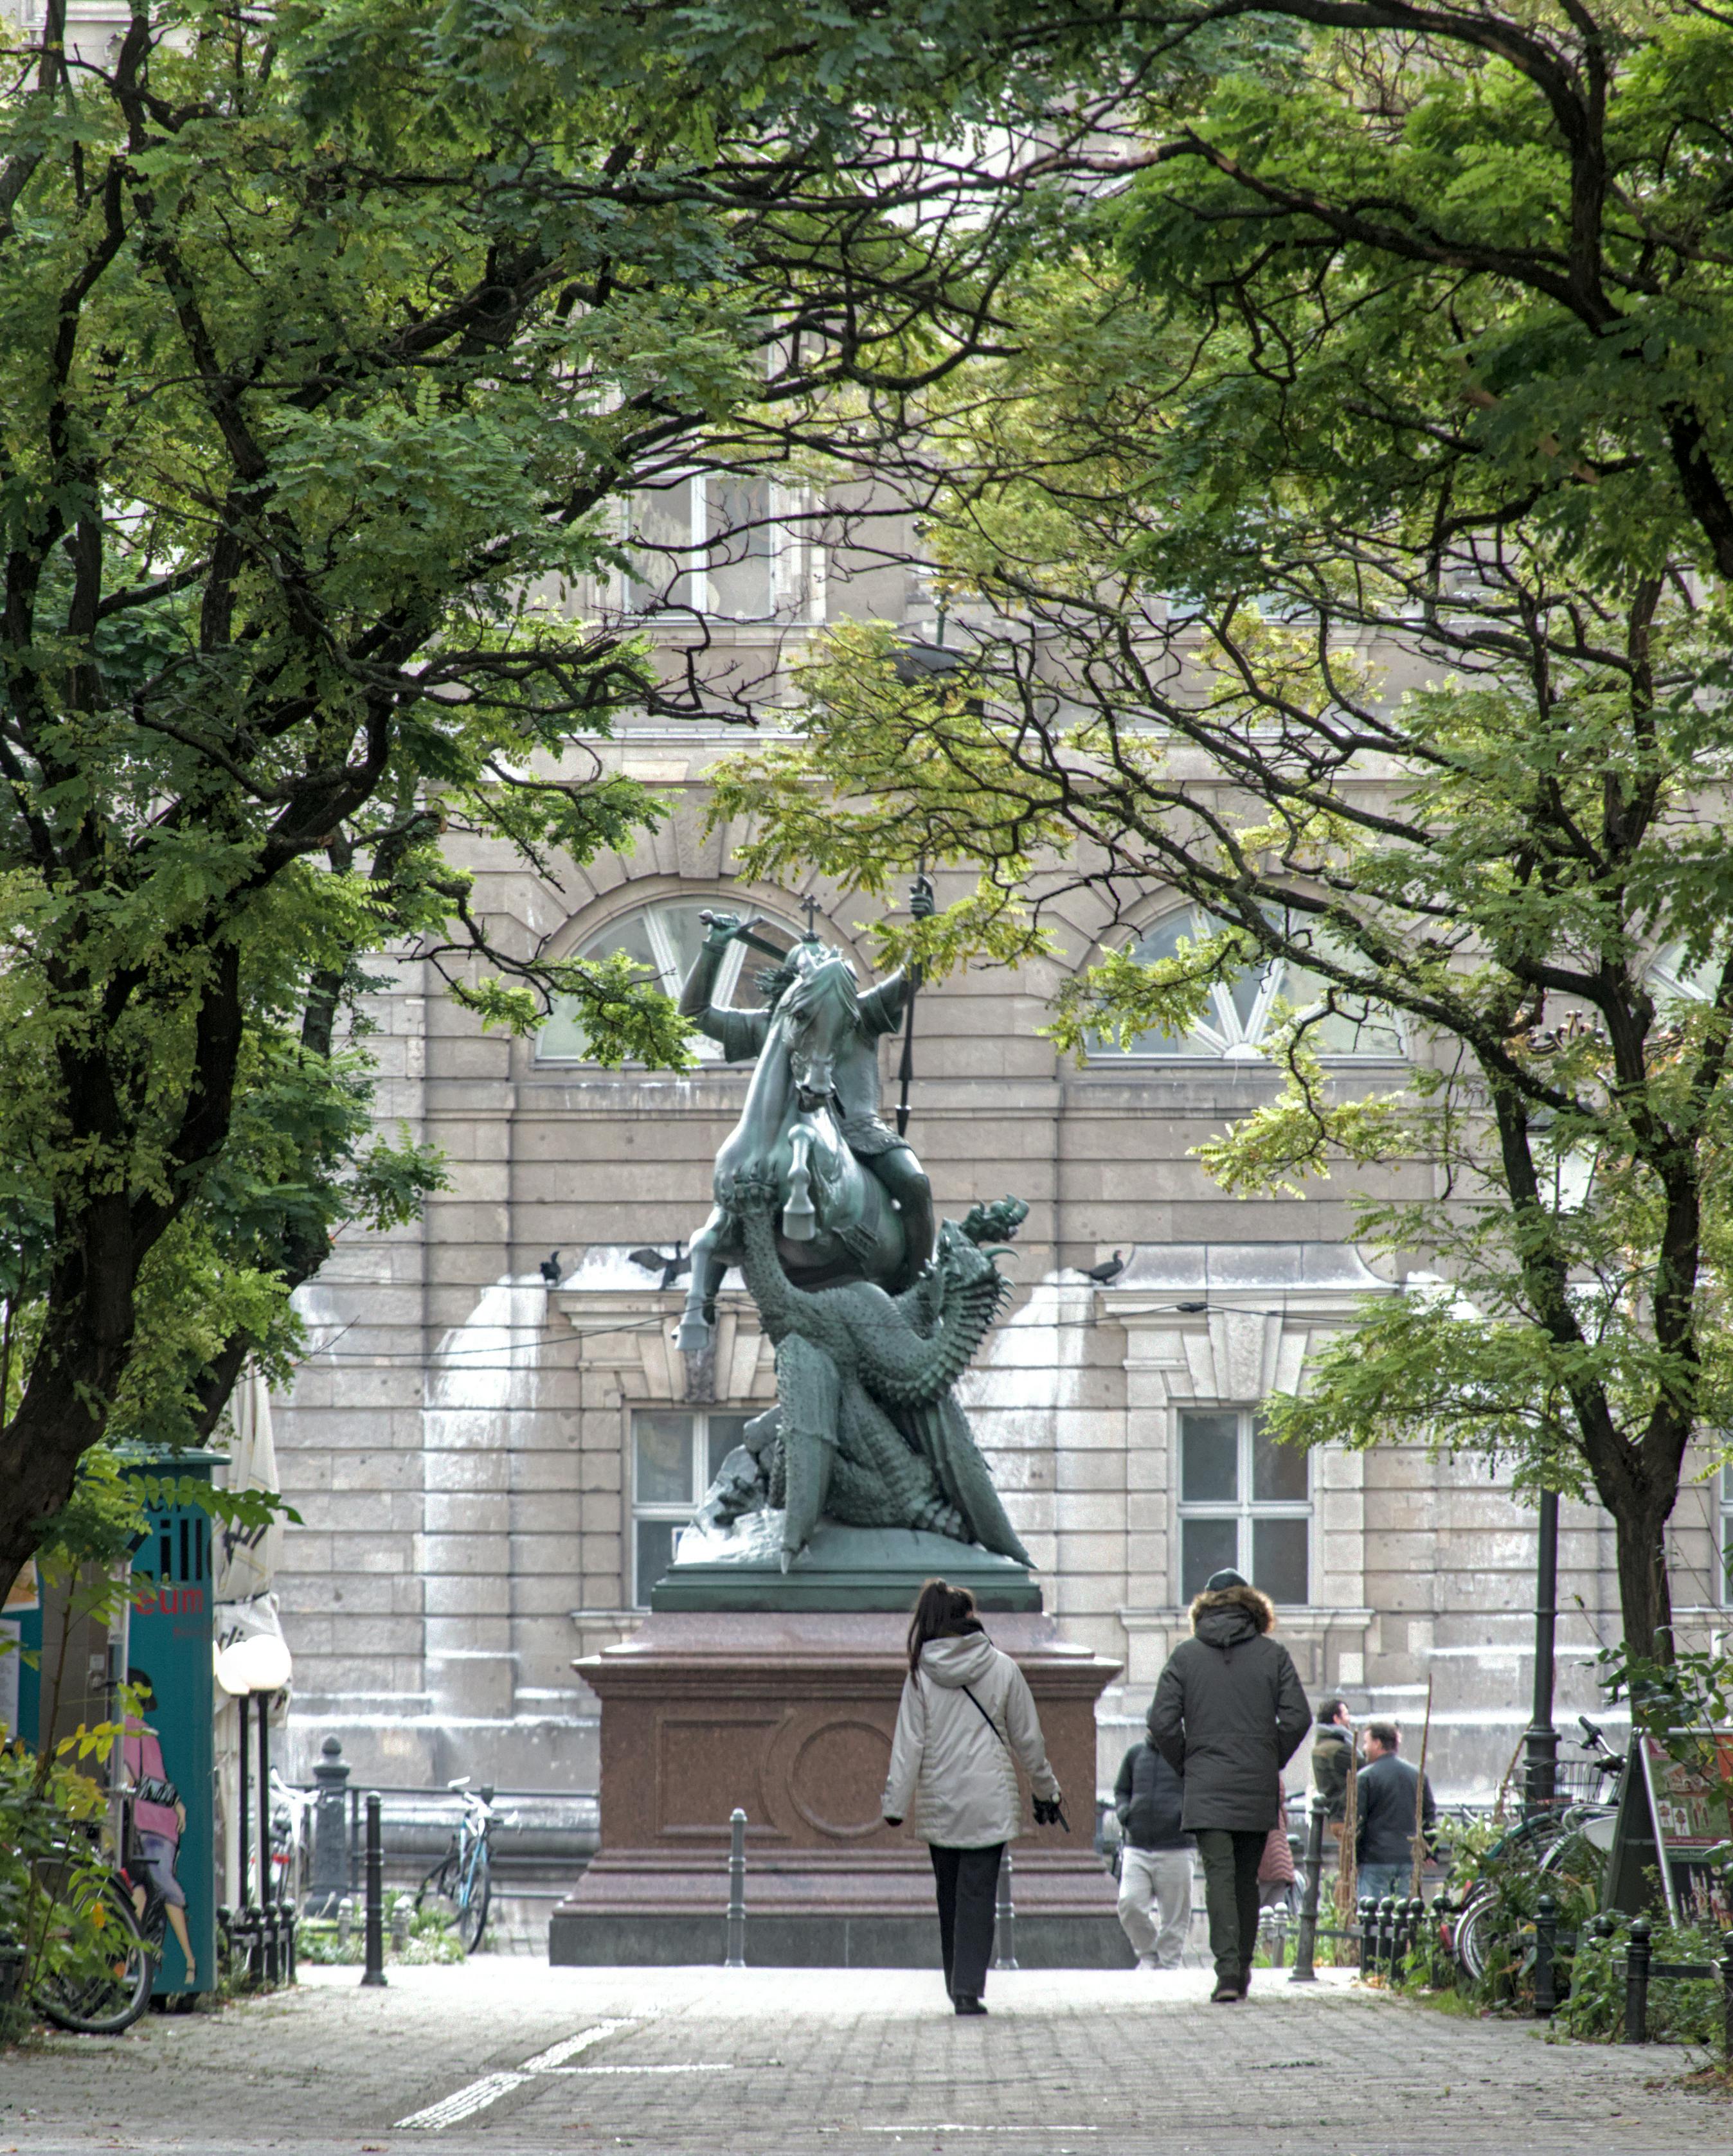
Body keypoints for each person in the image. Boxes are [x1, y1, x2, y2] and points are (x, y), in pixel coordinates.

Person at [883, 1579, 1061, 2015]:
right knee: (979, 1896)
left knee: (949, 1895)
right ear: (970, 1617)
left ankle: (955, 1982)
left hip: (941, 1800)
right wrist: (1047, 1791)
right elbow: (1029, 1740)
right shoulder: (1003, 1667)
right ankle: (968, 1987)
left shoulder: (922, 1674)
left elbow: (909, 1743)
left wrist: (894, 1804)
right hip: (990, 1799)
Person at [1147, 1567, 1311, 2004]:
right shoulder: (1272, 1655)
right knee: (1245, 1880)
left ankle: (1226, 1973)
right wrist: (1267, 1755)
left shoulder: (1185, 1656)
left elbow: (1160, 1721)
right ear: (1251, 1606)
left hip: (1206, 1783)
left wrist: (1189, 1762)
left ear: (1205, 1607)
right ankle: (1241, 1968)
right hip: (1255, 1782)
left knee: (1219, 1874)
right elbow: (1298, 1717)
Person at [123, 1667, 196, 1987]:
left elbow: (137, 1782)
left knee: (151, 1884)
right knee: (143, 1887)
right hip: (152, 1826)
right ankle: (176, 1962)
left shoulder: (131, 1733)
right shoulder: (140, 1733)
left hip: (146, 1825)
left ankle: (179, 1960)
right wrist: (176, 1801)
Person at [1112, 1736, 1194, 1970]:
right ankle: (1149, 1954)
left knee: (1175, 1917)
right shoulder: (1135, 1754)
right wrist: (1125, 1812)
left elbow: (1200, 1792)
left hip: (1177, 1846)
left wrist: (1184, 1819)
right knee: (1129, 1904)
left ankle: (1168, 1964)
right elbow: (1121, 1790)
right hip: (1137, 1845)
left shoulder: (1188, 1756)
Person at [1355, 1720, 1437, 1904]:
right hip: (1408, 1858)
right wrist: (1430, 1850)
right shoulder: (1418, 1775)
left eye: (1366, 1742)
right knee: (1405, 1916)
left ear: (1378, 1743)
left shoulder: (1366, 1777)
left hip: (1375, 1859)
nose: (1364, 1748)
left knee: (1373, 1918)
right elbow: (1429, 1815)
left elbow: (1358, 1821)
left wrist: (1354, 1857)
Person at [1311, 1697, 1355, 1828]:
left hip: (1334, 1815)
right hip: (1343, 1816)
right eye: (1346, 1714)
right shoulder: (1337, 1748)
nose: (1349, 1719)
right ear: (1336, 1718)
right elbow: (1365, 1768)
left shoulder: (1323, 1744)